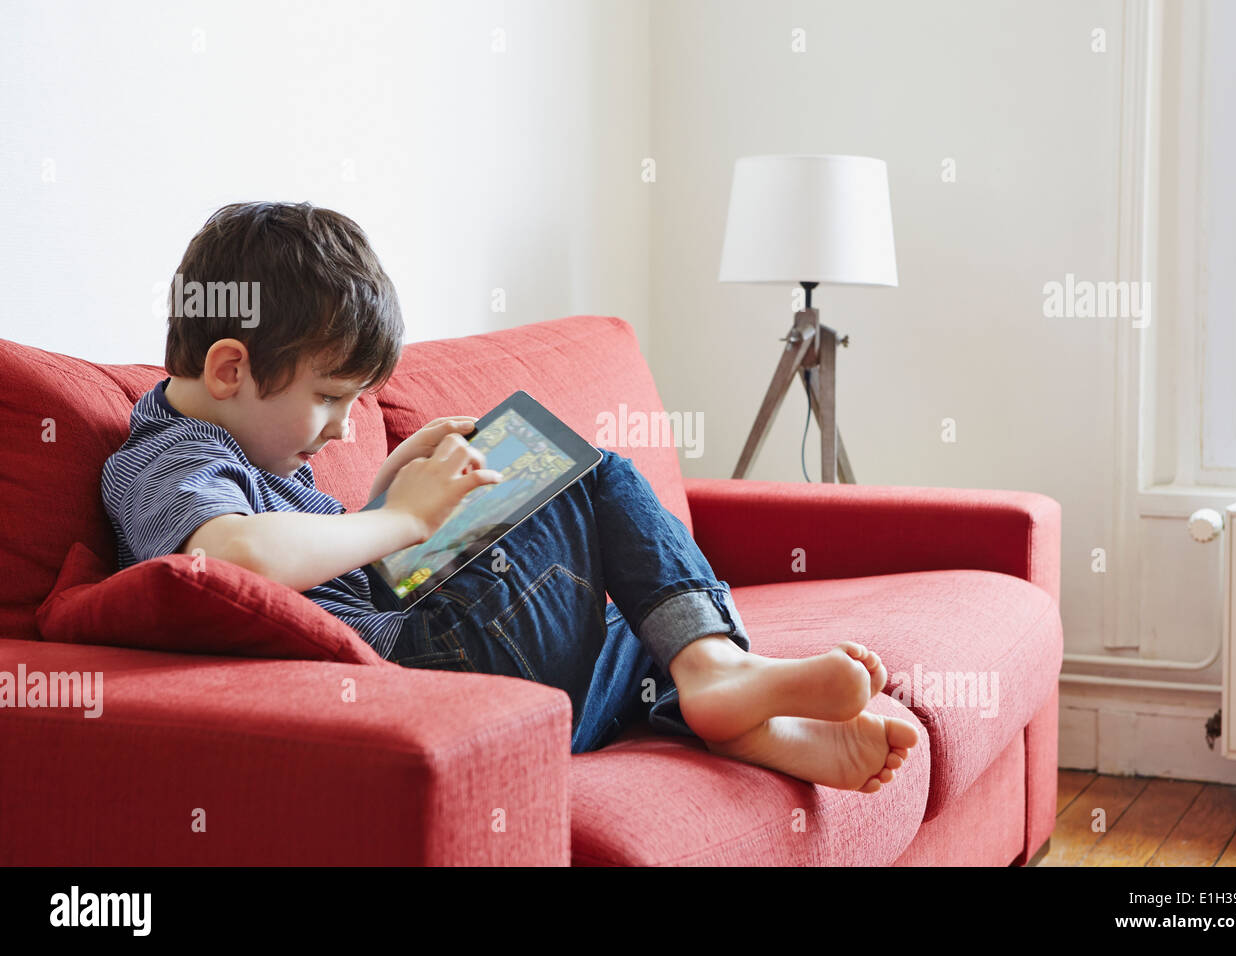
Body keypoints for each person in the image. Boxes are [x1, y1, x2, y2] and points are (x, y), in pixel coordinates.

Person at [102, 201, 919, 792]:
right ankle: (715, 672)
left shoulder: (251, 444)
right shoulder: (169, 458)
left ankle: (746, 720)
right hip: (426, 669)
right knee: (591, 474)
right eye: (329, 399)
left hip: (443, 650)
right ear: (229, 368)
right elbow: (228, 558)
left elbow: (318, 574)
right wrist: (402, 517)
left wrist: (393, 492)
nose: (346, 431)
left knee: (630, 588)